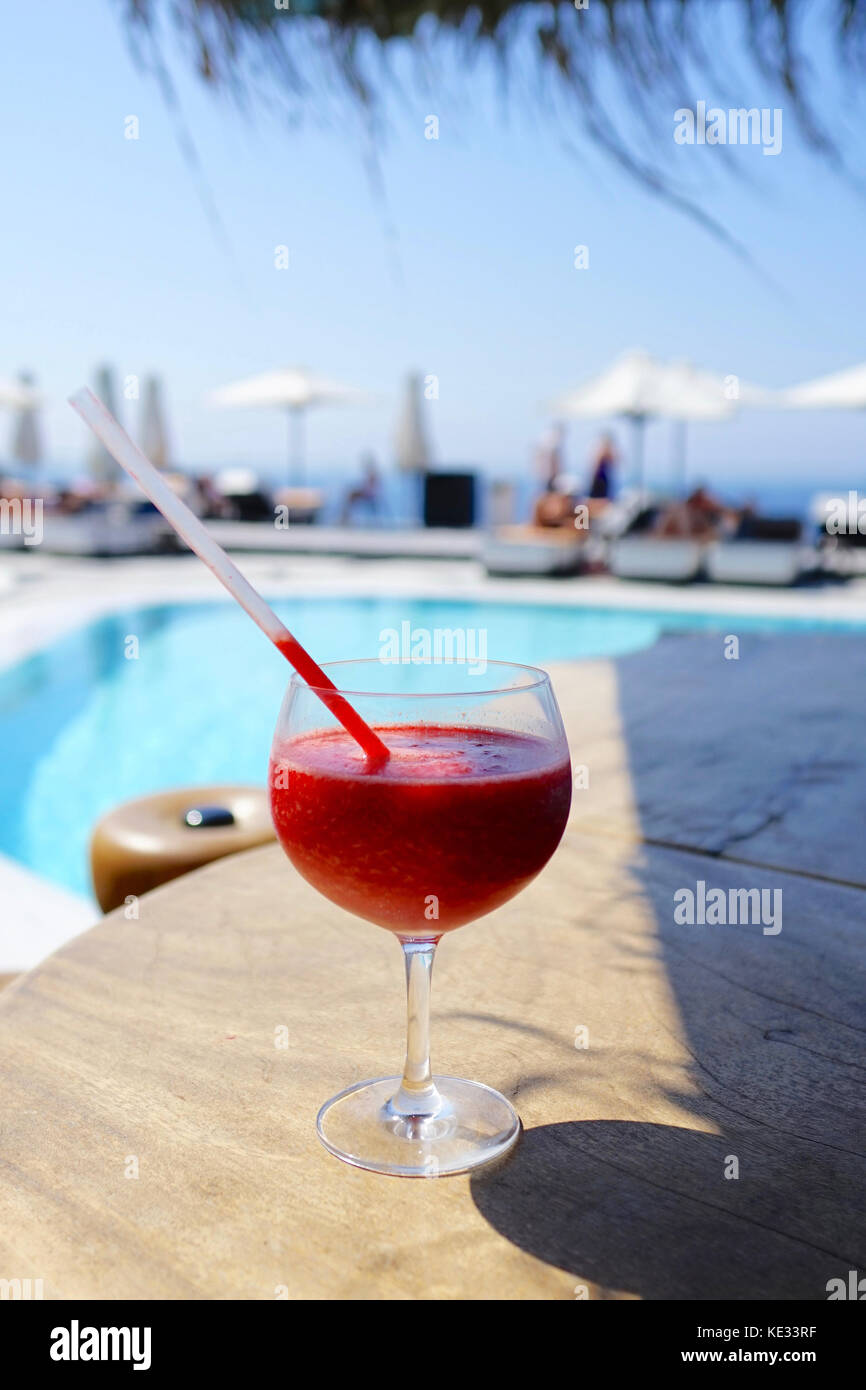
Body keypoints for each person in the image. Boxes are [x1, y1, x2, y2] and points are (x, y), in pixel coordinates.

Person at [341, 453, 383, 525]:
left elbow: (372, 488)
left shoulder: (373, 473)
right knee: (350, 494)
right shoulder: (372, 472)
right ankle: (345, 517)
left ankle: (345, 517)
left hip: (370, 495)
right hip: (369, 493)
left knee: (351, 495)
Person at [588, 433, 618, 500]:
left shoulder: (608, 453)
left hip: (604, 479)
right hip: (598, 479)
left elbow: (615, 462)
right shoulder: (598, 451)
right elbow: (594, 465)